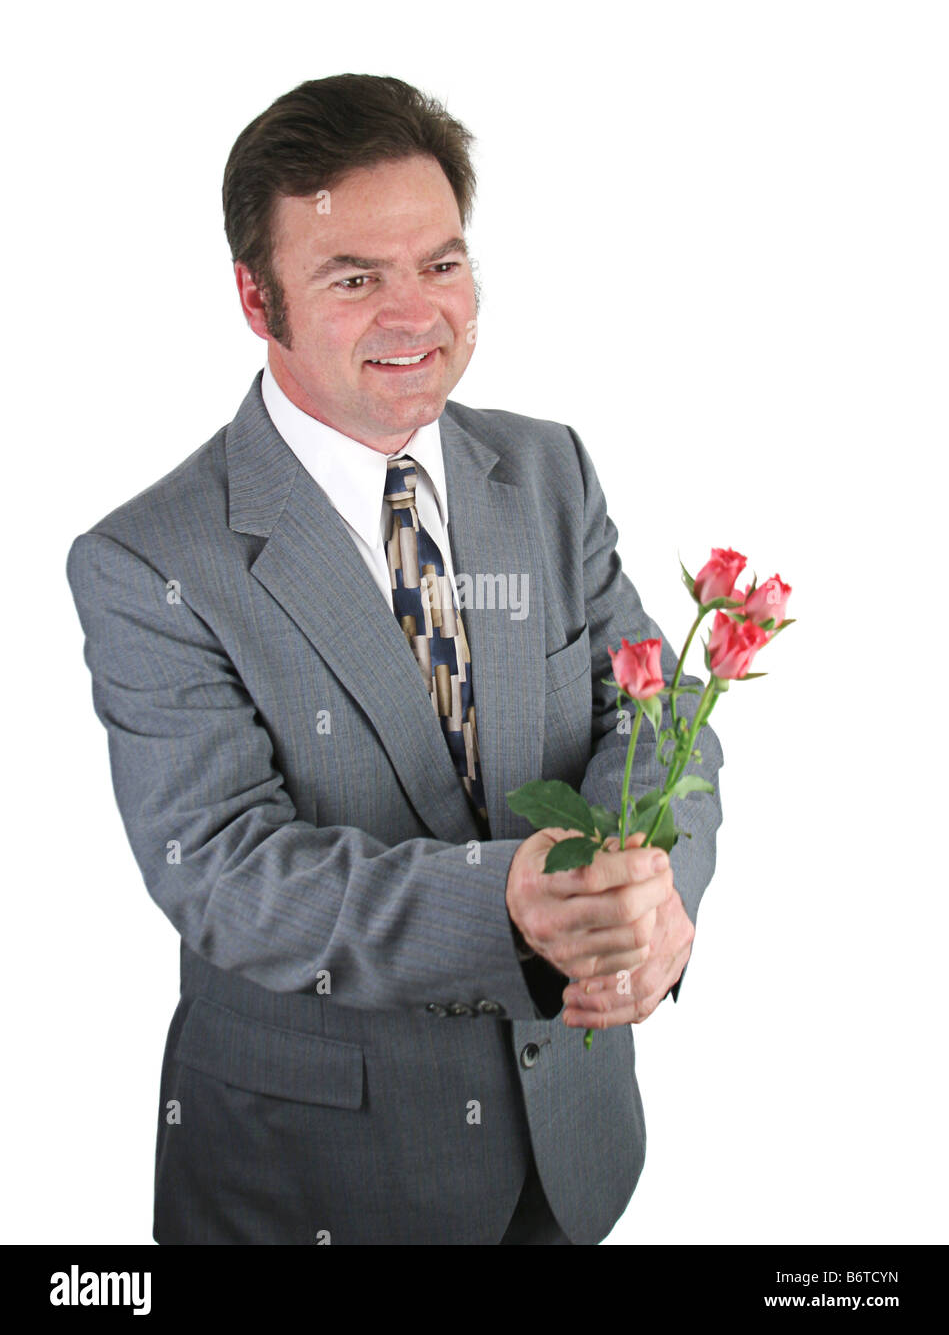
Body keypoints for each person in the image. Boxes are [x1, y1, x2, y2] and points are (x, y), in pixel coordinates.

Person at [66, 74, 724, 1246]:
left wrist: (650, 893)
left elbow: (653, 711)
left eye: (442, 263)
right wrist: (508, 903)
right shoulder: (145, 559)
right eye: (354, 277)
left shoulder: (548, 469)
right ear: (254, 297)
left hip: (571, 1152)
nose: (415, 313)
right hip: (319, 1185)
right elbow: (222, 870)